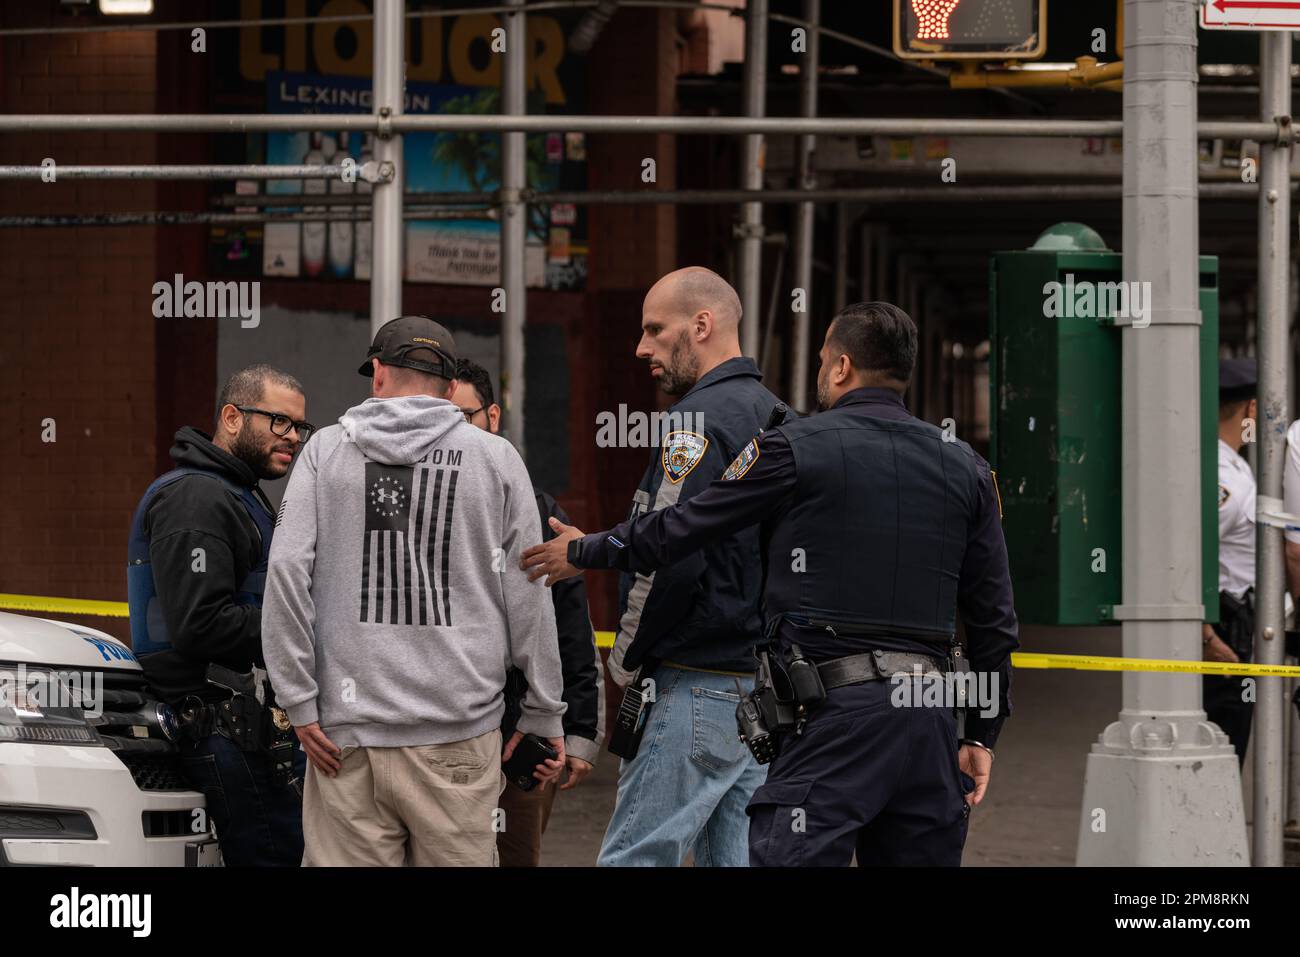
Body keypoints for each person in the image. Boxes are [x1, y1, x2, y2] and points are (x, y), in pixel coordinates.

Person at [524, 301, 1019, 867]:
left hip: (831, 719)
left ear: (840, 367)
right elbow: (994, 620)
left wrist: (586, 549)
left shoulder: (794, 447)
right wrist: (981, 732)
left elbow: (681, 528)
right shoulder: (967, 467)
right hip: (929, 724)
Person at [261, 316, 567, 867]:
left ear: (376, 375)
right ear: (451, 389)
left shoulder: (324, 454)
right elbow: (530, 587)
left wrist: (298, 703)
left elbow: (284, 571)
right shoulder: (496, 460)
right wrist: (544, 711)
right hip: (458, 736)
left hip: (344, 740)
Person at [559, 266, 788, 867]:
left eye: (655, 330)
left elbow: (669, 550)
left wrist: (627, 655)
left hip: (692, 683)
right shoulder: (777, 416)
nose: (641, 348)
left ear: (703, 324)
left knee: (636, 857)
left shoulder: (696, 421)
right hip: (758, 694)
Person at [129, 364, 312, 867]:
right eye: (279, 421)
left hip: (247, 732)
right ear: (232, 416)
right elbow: (200, 624)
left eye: (299, 426)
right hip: (225, 730)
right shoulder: (198, 496)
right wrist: (308, 627)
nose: (292, 436)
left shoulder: (236, 492)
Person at [452, 357, 605, 867]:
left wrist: (581, 730)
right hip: (439, 735)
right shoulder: (417, 507)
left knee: (516, 853)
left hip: (522, 737)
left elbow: (570, 628)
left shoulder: (537, 511)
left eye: (463, 417)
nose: (451, 433)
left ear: (493, 417)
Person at [1206, 357, 1259, 764]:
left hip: (1227, 623)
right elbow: (1182, 560)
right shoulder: (1226, 481)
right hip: (1223, 630)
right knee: (1223, 754)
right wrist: (1209, 639)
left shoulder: (1228, 463)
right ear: (1252, 409)